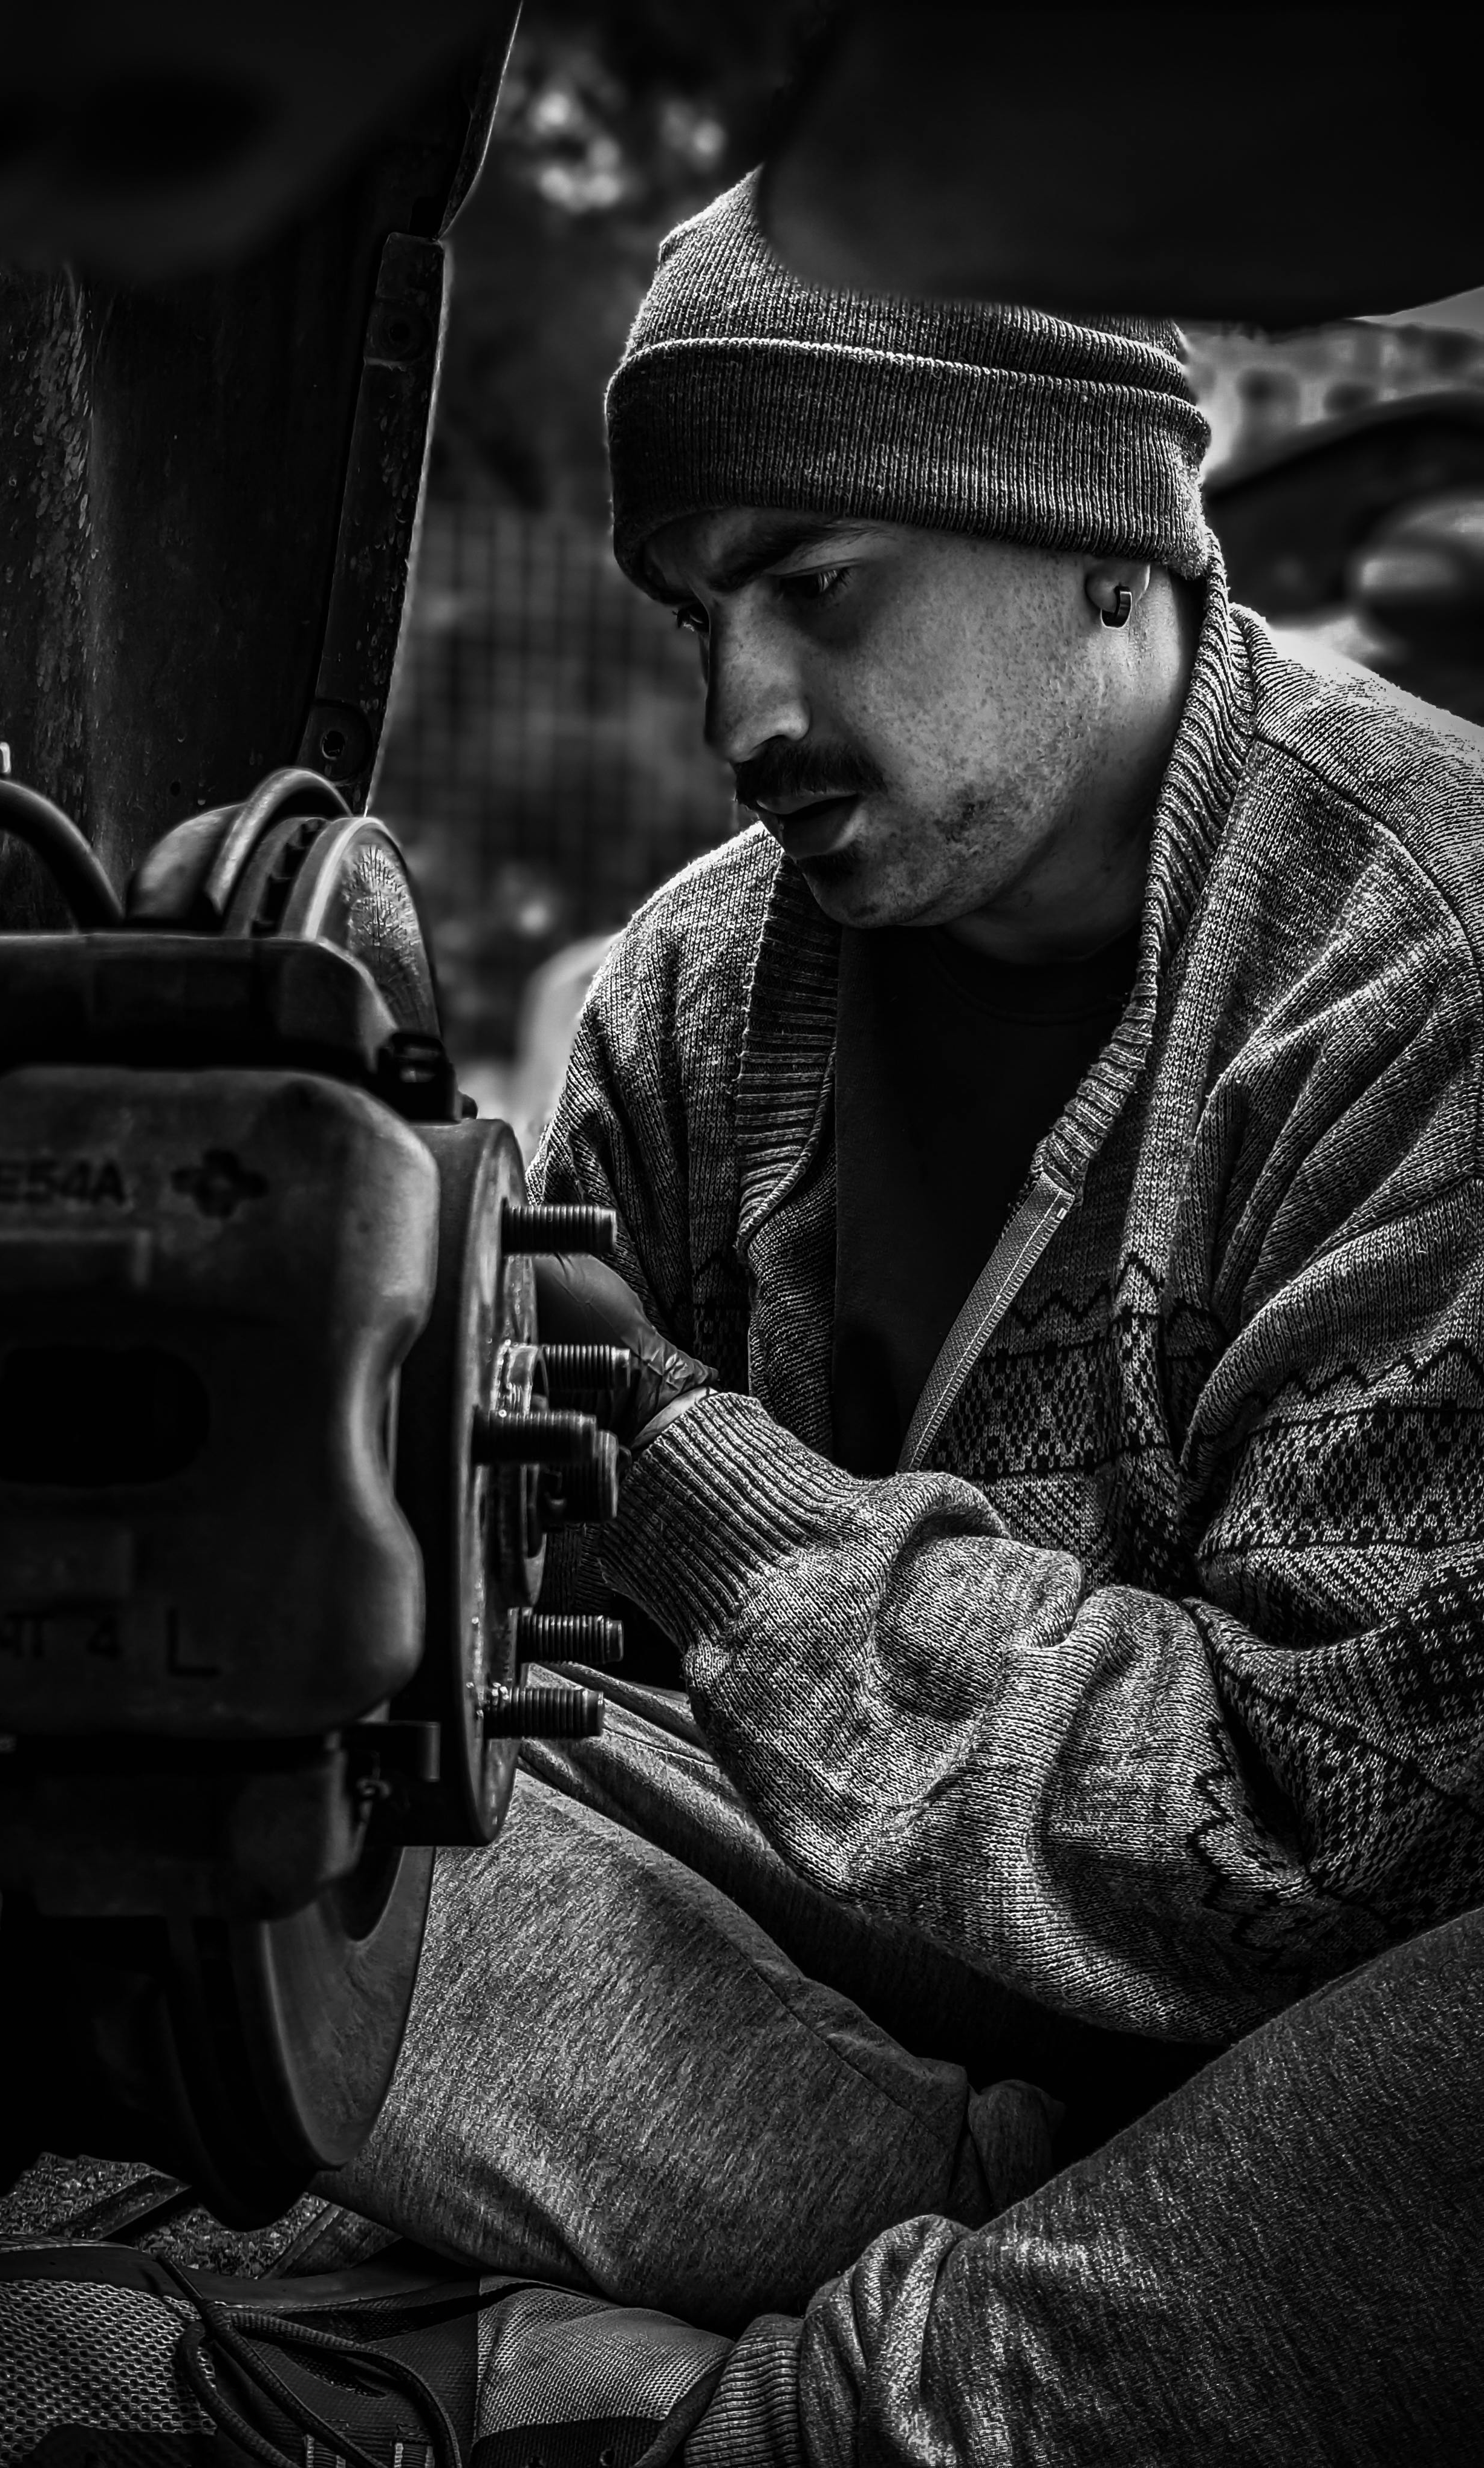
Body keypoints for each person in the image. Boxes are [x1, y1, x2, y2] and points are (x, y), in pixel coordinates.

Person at [293, 172, 1484, 2461]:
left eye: (818, 591)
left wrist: (675, 1470)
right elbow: (548, 1693)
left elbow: (1317, 1853)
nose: (741, 705)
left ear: (1101, 541)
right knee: (198, 1801)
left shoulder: (1419, 977)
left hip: (1251, 2134)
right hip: (818, 2009)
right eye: (694, 617)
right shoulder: (693, 991)